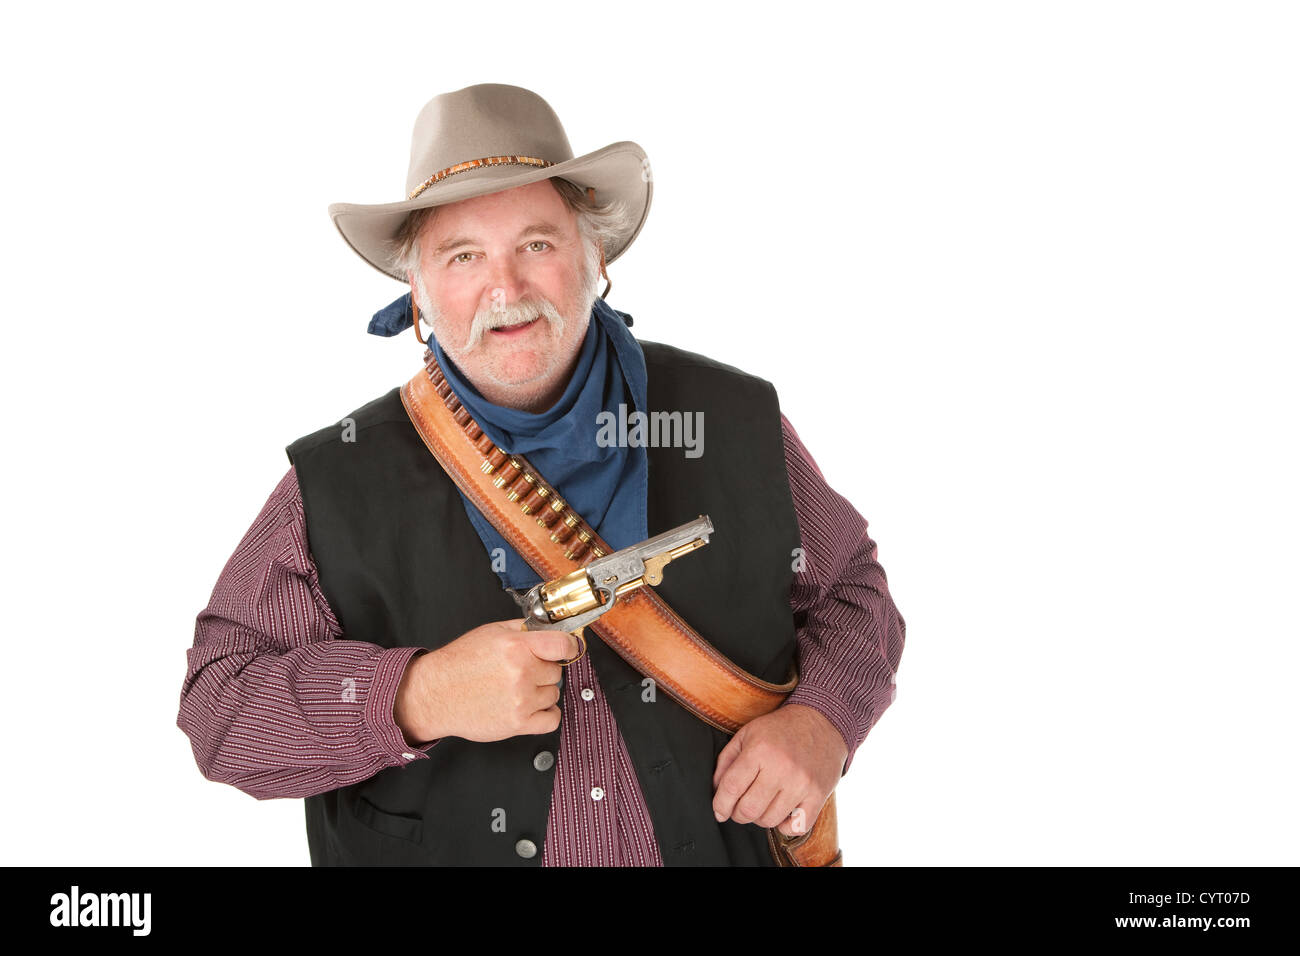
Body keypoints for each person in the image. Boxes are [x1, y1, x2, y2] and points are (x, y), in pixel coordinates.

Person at [177, 83, 906, 866]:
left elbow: (853, 592)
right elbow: (220, 713)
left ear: (595, 259)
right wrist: (415, 695)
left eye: (537, 243)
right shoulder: (336, 480)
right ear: (417, 293)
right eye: (463, 256)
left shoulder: (731, 418)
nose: (506, 288)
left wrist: (823, 721)